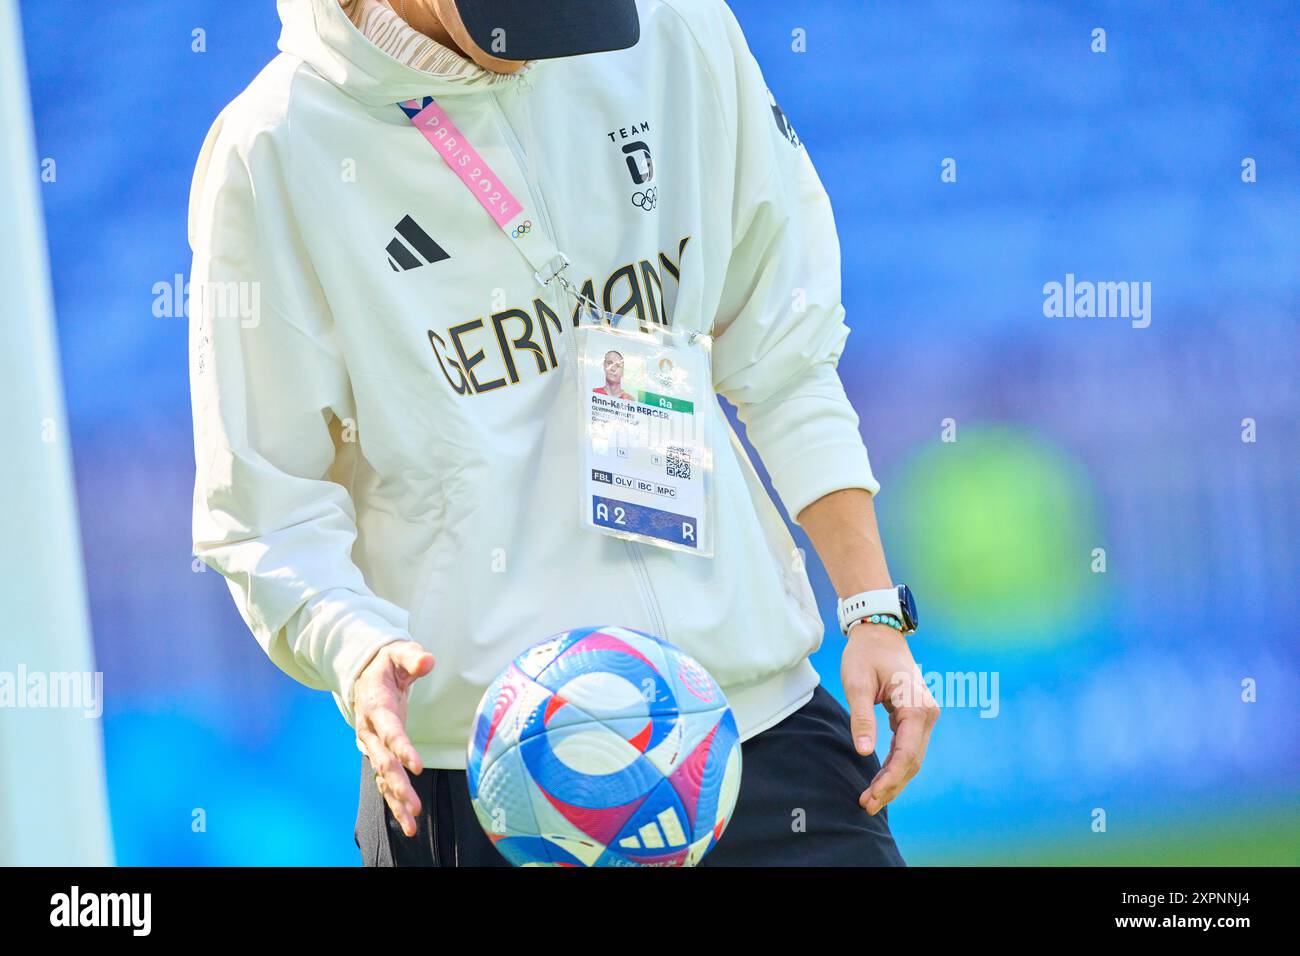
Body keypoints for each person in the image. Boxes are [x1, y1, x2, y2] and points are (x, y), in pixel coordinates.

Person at [188, 0, 938, 867]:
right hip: (487, 785)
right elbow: (265, 511)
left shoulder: (677, 28)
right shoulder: (274, 151)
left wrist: (872, 607)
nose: (551, 36)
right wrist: (354, 649)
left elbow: (783, 350)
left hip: (751, 739)